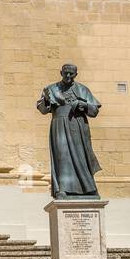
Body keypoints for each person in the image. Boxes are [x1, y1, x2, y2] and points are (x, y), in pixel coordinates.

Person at [36, 63, 103, 199]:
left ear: (76, 74)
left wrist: (83, 104)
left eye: (71, 73)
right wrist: (46, 101)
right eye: (65, 73)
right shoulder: (51, 89)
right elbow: (42, 110)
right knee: (62, 156)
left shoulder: (82, 89)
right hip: (59, 126)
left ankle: (88, 188)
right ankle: (63, 189)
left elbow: (94, 111)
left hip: (78, 125)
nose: (68, 76)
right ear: (60, 73)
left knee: (81, 156)